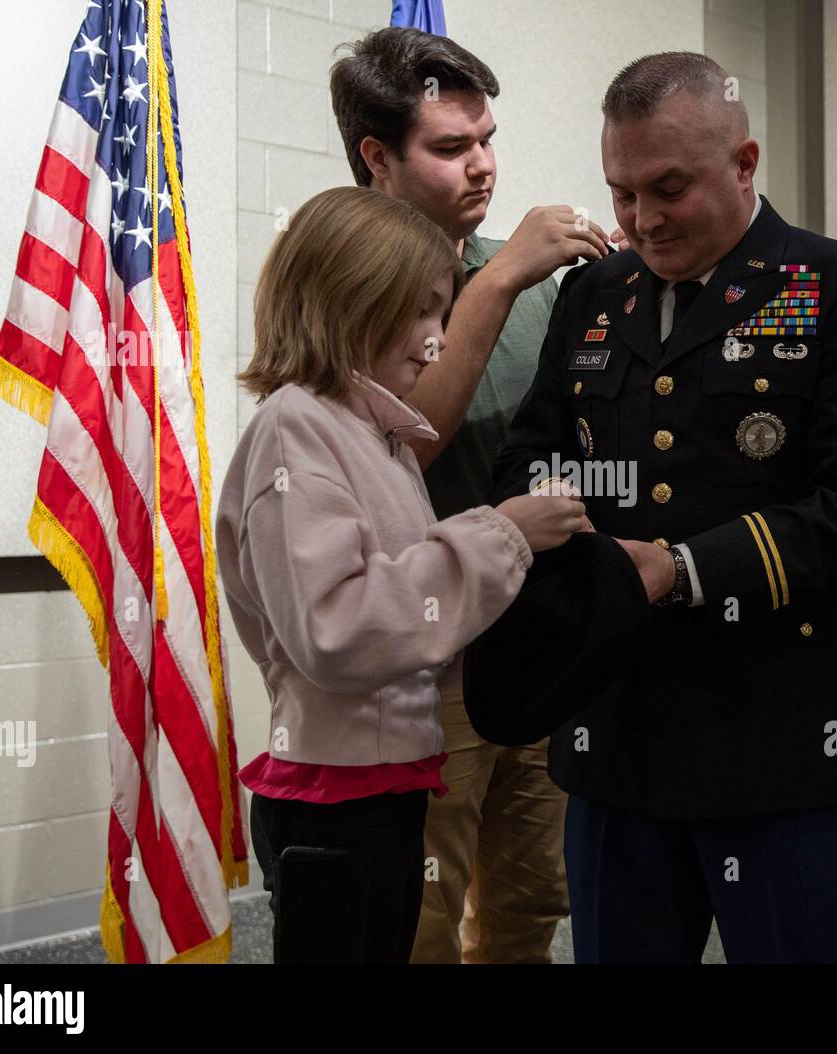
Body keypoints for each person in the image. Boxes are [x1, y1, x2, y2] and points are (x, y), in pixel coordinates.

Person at [493, 52, 837, 964]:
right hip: (614, 736)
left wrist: (681, 571)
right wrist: (560, 511)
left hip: (770, 739)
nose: (643, 219)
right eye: (620, 193)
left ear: (744, 161)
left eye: (669, 187)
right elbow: (530, 452)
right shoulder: (594, 291)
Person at [214, 187, 585, 963]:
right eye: (418, 315)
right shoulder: (297, 431)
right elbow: (339, 630)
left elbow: (396, 588)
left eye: (439, 316)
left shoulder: (367, 434)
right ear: (348, 304)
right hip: (336, 802)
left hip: (383, 782)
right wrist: (501, 534)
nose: (435, 343)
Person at [330, 27, 611, 965]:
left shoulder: (519, 272)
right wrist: (494, 283)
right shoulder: (339, 275)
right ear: (378, 156)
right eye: (451, 148)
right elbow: (403, 446)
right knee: (419, 918)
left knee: (533, 903)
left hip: (537, 640)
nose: (484, 165)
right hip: (422, 661)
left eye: (487, 137)